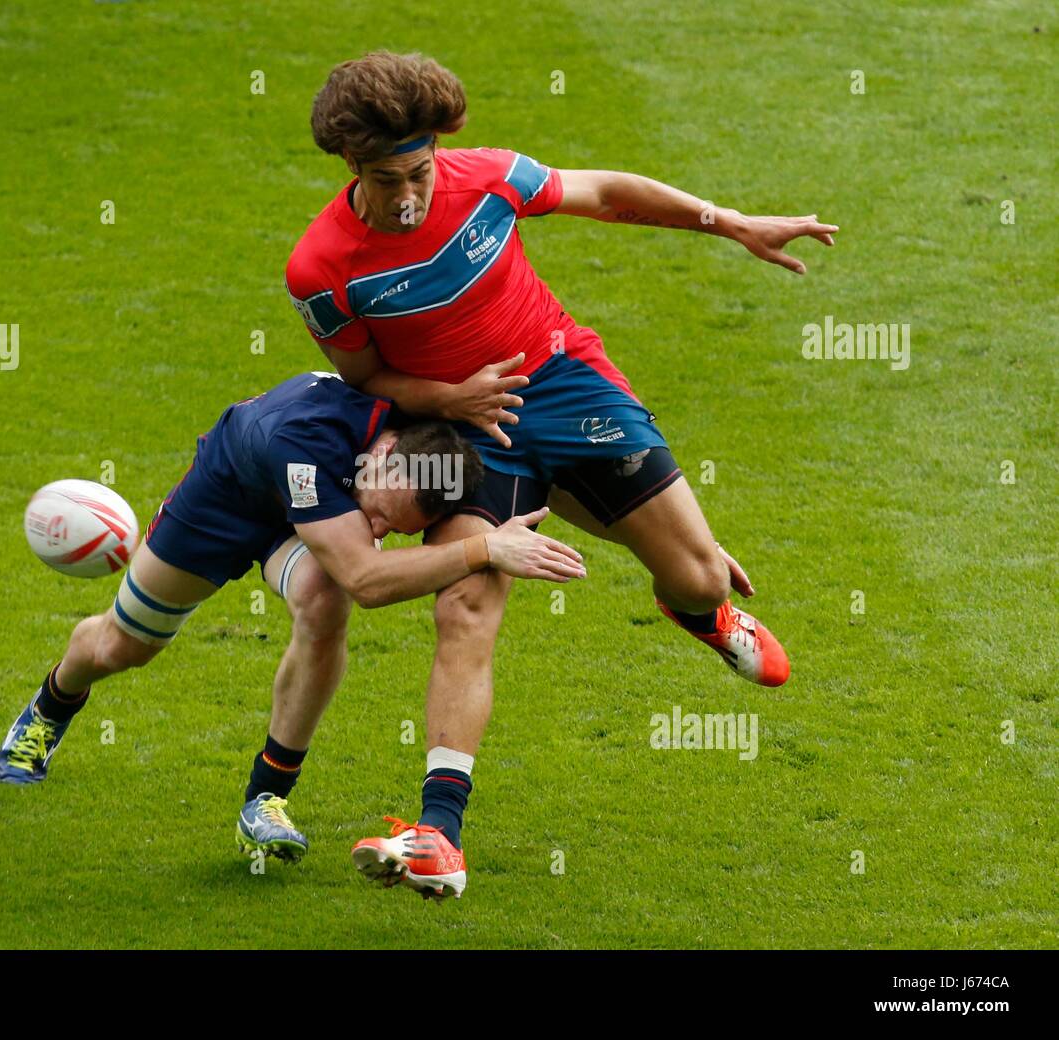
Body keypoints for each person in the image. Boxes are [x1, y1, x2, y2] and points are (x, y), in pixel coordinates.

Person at [284, 51, 838, 899]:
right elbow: (363, 380)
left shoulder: (490, 181)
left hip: (563, 380)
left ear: (439, 153)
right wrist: (454, 397)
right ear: (351, 168)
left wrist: (728, 223)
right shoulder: (322, 268)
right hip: (465, 428)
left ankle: (693, 607)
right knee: (466, 603)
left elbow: (607, 192)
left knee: (694, 573)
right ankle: (440, 832)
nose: (408, 199)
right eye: (388, 180)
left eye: (420, 174)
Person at [0, 372, 584, 865]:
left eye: (390, 530)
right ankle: (51, 704)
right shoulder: (307, 441)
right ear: (379, 455)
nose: (377, 531)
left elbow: (355, 567)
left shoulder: (408, 437)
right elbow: (369, 581)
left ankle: (266, 797)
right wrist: (486, 549)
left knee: (324, 602)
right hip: (223, 501)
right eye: (376, 514)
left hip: (310, 514)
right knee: (123, 646)